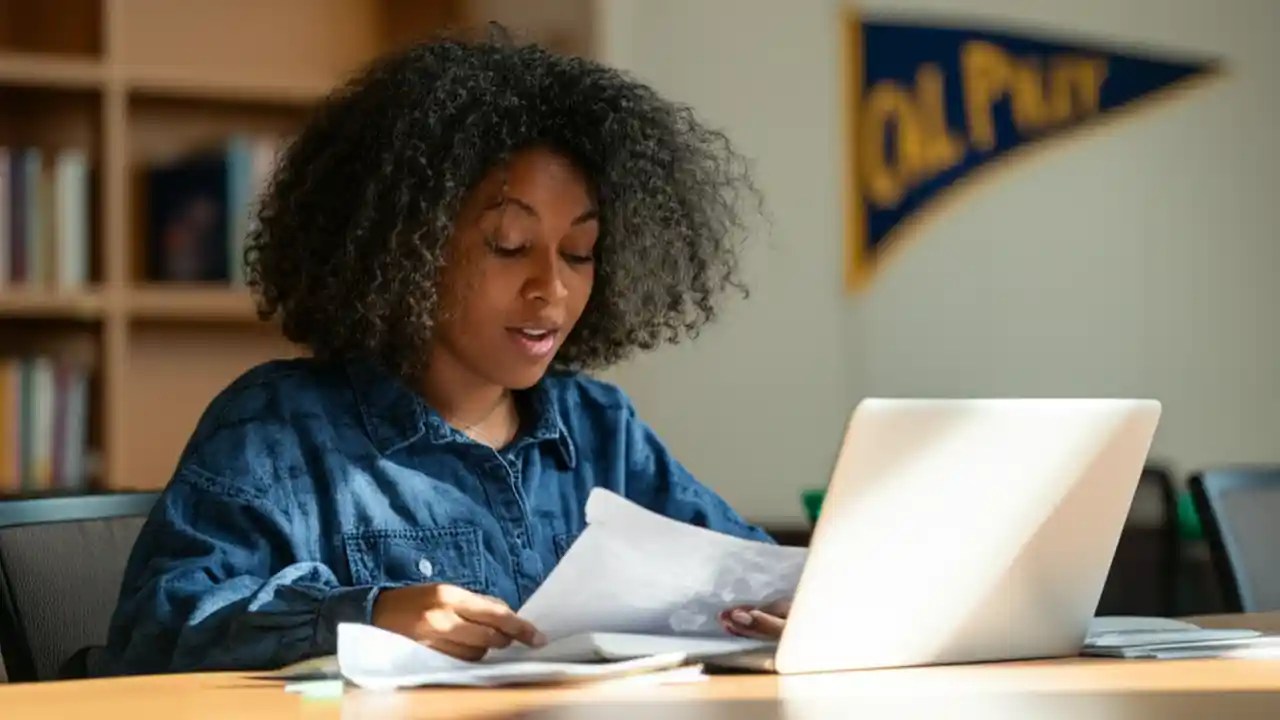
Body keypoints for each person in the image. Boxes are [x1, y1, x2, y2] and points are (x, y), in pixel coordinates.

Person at [100, 31, 787, 675]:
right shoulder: (279, 429)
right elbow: (158, 626)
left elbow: (750, 571)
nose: (551, 286)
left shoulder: (600, 429)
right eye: (510, 246)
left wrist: (789, 608)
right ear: (409, 251)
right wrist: (368, 616)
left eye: (580, 252)